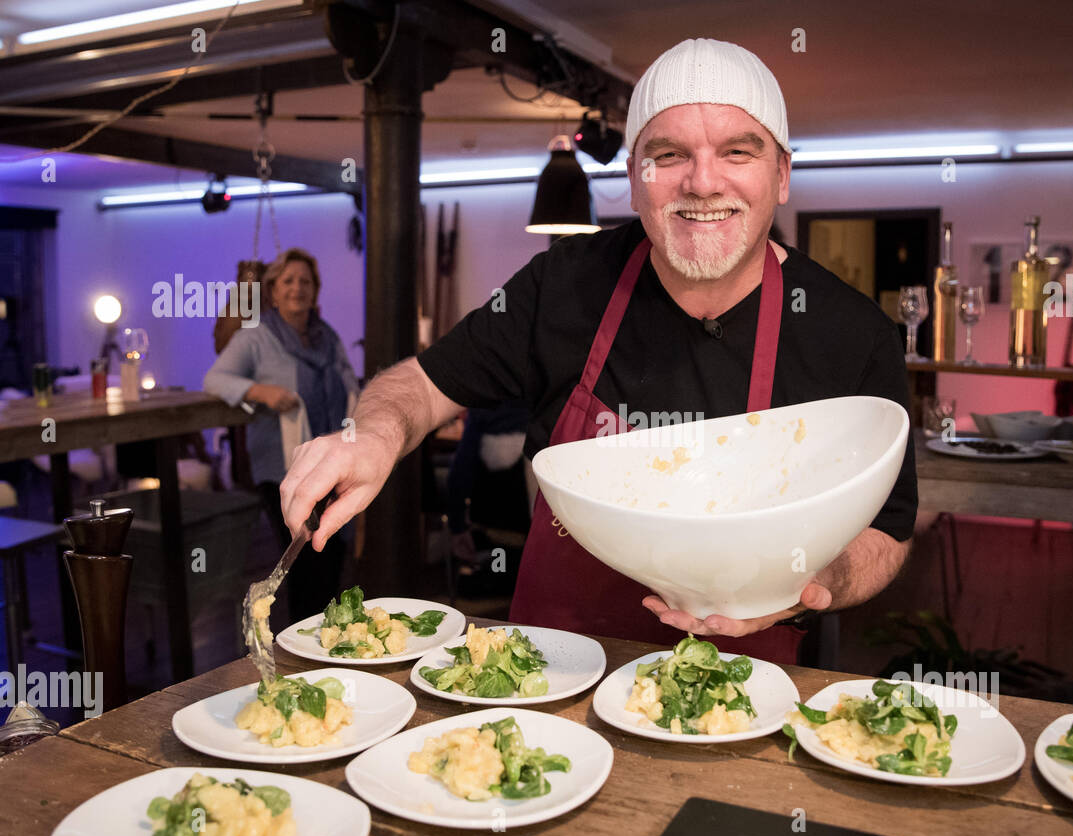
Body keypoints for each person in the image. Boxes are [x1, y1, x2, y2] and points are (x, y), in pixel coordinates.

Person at [281, 38, 916, 664]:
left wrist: (808, 582)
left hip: (739, 699)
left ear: (781, 175)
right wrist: (372, 436)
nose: (702, 181)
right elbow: (420, 386)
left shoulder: (852, 334)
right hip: (552, 677)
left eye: (737, 151)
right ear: (634, 183)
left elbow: (887, 530)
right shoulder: (562, 286)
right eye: (668, 154)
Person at [204, 247, 359, 622]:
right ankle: (302, 648)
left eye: (305, 281)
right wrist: (262, 392)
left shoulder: (327, 336)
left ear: (315, 291)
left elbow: (350, 381)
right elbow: (215, 379)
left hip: (331, 463)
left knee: (332, 552)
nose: (297, 288)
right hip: (282, 467)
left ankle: (329, 639)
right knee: (301, 557)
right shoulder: (256, 337)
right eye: (288, 281)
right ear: (272, 291)